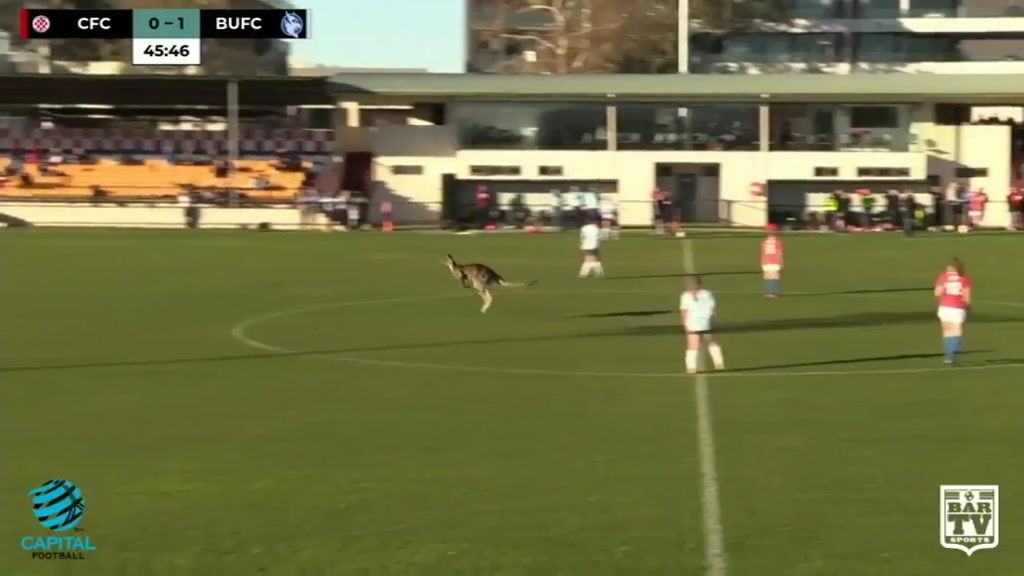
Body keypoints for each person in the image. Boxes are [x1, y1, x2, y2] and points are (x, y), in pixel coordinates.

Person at [679, 276, 725, 374]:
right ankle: (719, 363)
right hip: (706, 323)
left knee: (692, 346)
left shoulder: (685, 296)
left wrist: (684, 324)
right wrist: (712, 320)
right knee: (711, 342)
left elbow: (684, 311)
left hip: (693, 324)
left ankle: (691, 368)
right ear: (700, 284)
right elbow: (713, 310)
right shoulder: (708, 294)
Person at [934, 258, 972, 365]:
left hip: (944, 308)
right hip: (957, 308)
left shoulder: (943, 277)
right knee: (957, 333)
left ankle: (948, 355)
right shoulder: (964, 278)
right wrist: (968, 306)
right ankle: (951, 356)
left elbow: (937, 293)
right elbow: (967, 296)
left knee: (947, 332)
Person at [761, 224, 784, 297]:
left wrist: (762, 262)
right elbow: (779, 252)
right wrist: (781, 262)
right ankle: (773, 292)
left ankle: (771, 292)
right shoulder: (777, 242)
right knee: (774, 276)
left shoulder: (764, 242)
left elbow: (763, 252)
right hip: (774, 261)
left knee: (768, 276)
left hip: (767, 261)